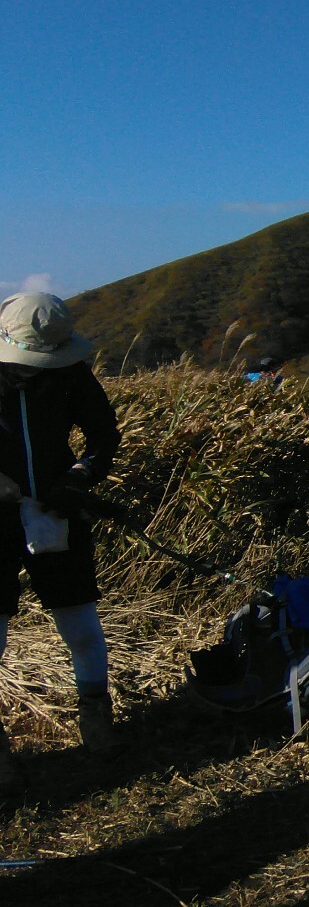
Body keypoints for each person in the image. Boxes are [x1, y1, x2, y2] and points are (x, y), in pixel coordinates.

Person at [0, 292, 124, 798]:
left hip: (57, 510)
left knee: (79, 620)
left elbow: (103, 435)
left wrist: (78, 477)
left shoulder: (71, 373)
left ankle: (96, 715)